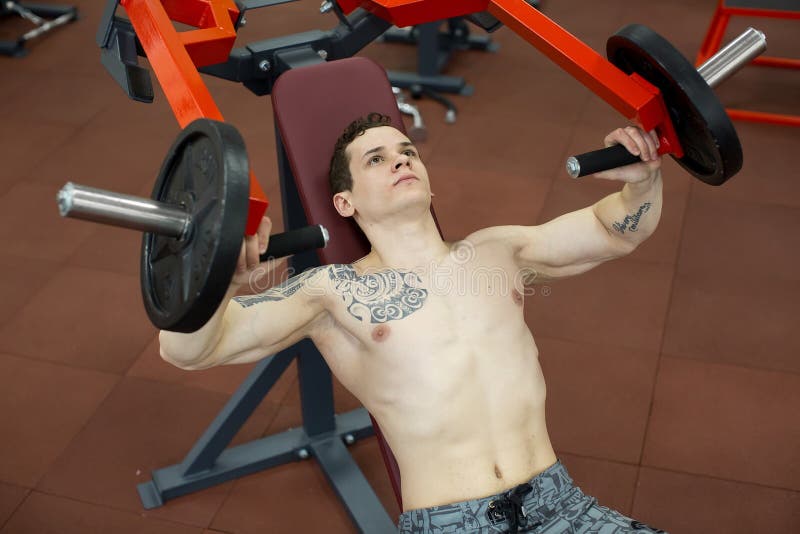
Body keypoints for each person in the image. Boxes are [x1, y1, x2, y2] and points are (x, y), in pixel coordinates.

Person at [159, 113, 666, 533]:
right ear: (345, 202)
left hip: (561, 505)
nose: (400, 160)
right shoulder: (331, 292)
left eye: (407, 153)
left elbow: (614, 231)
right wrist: (217, 279)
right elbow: (188, 351)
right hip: (452, 524)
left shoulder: (497, 251)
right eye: (376, 159)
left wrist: (643, 180)